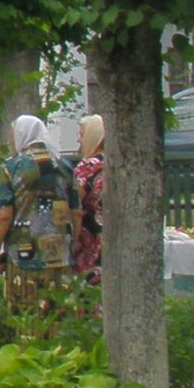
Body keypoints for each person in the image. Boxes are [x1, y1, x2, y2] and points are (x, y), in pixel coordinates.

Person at [0, 112, 81, 318]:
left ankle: (28, 348)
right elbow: (76, 210)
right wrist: (74, 241)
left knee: (26, 313)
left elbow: (4, 215)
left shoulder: (11, 167)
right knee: (58, 314)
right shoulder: (65, 166)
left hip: (24, 254)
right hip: (59, 253)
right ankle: (57, 349)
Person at [71, 112, 106, 277]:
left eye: (81, 134)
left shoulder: (87, 167)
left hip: (88, 237)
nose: (79, 140)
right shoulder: (111, 163)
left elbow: (74, 200)